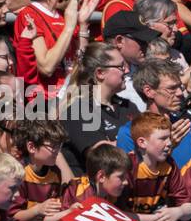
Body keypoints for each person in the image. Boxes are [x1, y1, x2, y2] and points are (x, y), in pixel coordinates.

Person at [15, 0, 99, 99]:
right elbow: (46, 67)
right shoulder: (29, 15)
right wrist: (69, 26)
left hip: (73, 97)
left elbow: (80, 62)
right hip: (45, 101)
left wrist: (83, 25)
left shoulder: (64, 15)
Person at [58, 42, 137, 173]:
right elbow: (103, 157)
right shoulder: (79, 111)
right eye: (121, 66)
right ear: (100, 73)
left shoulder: (128, 106)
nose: (127, 71)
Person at [116, 110, 191, 221]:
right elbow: (114, 214)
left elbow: (190, 208)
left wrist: (179, 211)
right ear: (142, 142)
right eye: (163, 139)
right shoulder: (128, 167)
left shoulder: (169, 165)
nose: (170, 143)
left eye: (169, 138)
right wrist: (154, 219)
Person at [117, 58, 191, 167]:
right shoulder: (129, 133)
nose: (180, 93)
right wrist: (167, 146)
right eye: (172, 88)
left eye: (180, 86)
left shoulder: (187, 126)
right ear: (149, 91)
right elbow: (134, 175)